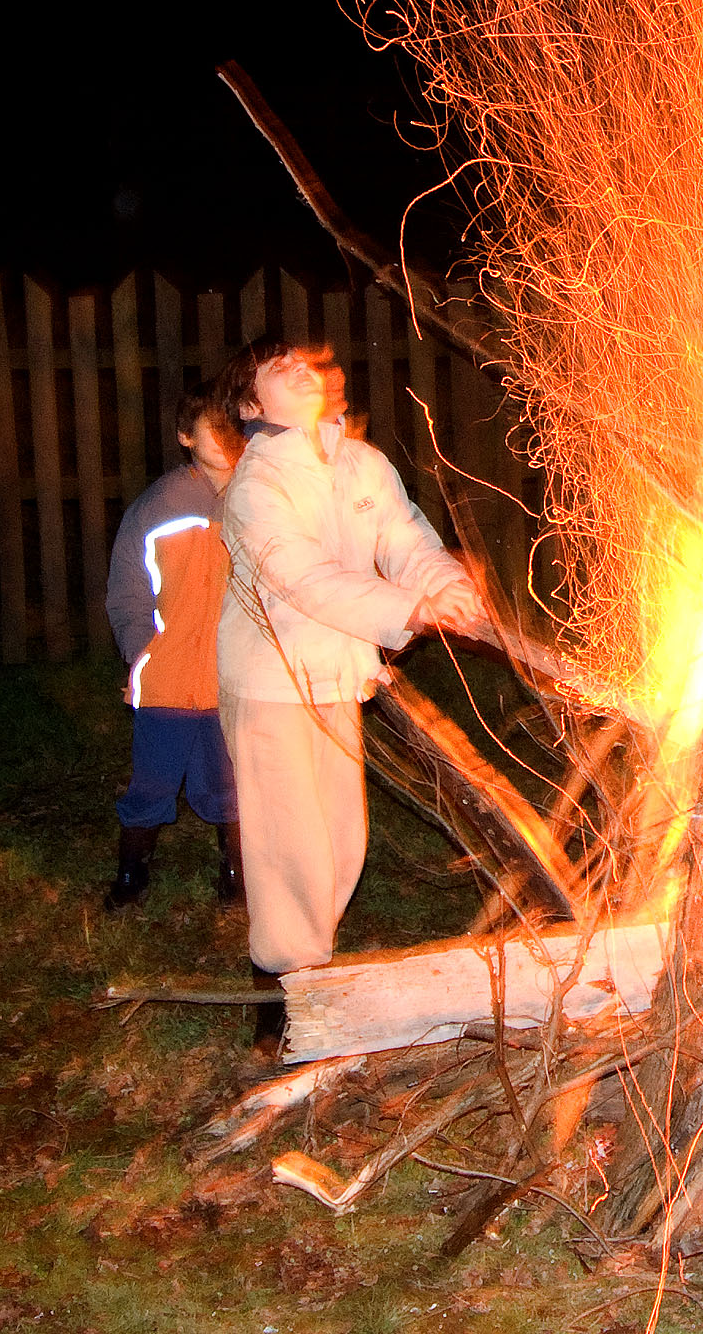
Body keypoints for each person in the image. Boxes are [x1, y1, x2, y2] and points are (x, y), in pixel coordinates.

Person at [215, 338, 482, 1056]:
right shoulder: (256, 487)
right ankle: (282, 989)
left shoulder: (362, 464)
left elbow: (405, 538)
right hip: (272, 679)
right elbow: (305, 579)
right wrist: (409, 611)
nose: (305, 373)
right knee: (286, 841)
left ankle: (311, 958)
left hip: (337, 672)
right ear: (251, 406)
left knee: (338, 837)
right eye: (281, 371)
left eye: (307, 364)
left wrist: (445, 587)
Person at [103, 380, 241, 912]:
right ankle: (132, 873)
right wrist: (143, 654)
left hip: (230, 679)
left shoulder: (257, 500)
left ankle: (236, 875)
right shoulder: (159, 506)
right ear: (186, 435)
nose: (226, 435)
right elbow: (128, 591)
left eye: (234, 424)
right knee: (152, 783)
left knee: (230, 784)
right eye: (213, 425)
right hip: (166, 680)